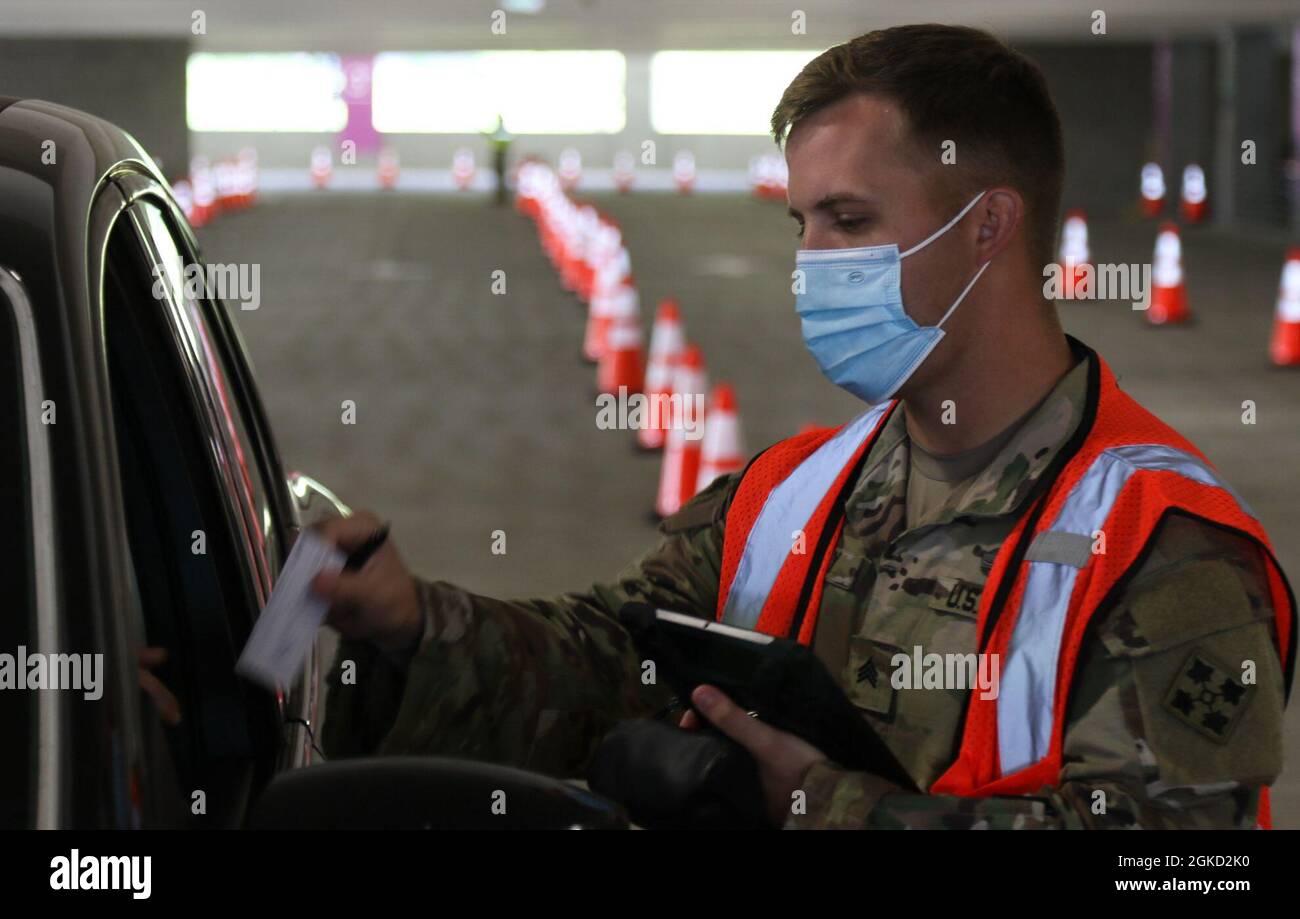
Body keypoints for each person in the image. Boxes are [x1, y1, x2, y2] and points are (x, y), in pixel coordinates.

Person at [311, 24, 1294, 829]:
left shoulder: (1161, 548)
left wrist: (820, 810)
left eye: (850, 221)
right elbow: (619, 662)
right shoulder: (790, 492)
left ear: (988, 227)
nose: (811, 263)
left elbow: (1173, 852)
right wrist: (415, 623)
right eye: (802, 226)